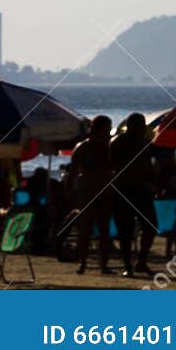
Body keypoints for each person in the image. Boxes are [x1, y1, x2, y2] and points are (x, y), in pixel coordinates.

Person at [63, 114, 114, 274]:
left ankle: (101, 264)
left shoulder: (108, 147)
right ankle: (83, 262)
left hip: (101, 191)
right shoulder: (84, 147)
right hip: (88, 191)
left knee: (103, 230)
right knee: (87, 229)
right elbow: (72, 172)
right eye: (106, 128)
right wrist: (69, 191)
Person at [108, 112, 157, 277]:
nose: (142, 130)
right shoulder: (117, 143)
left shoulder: (143, 144)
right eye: (139, 127)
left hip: (141, 191)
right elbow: (112, 167)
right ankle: (128, 265)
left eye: (143, 127)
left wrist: (151, 182)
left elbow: (148, 168)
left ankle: (141, 262)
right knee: (125, 231)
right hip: (122, 191)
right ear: (130, 127)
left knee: (150, 226)